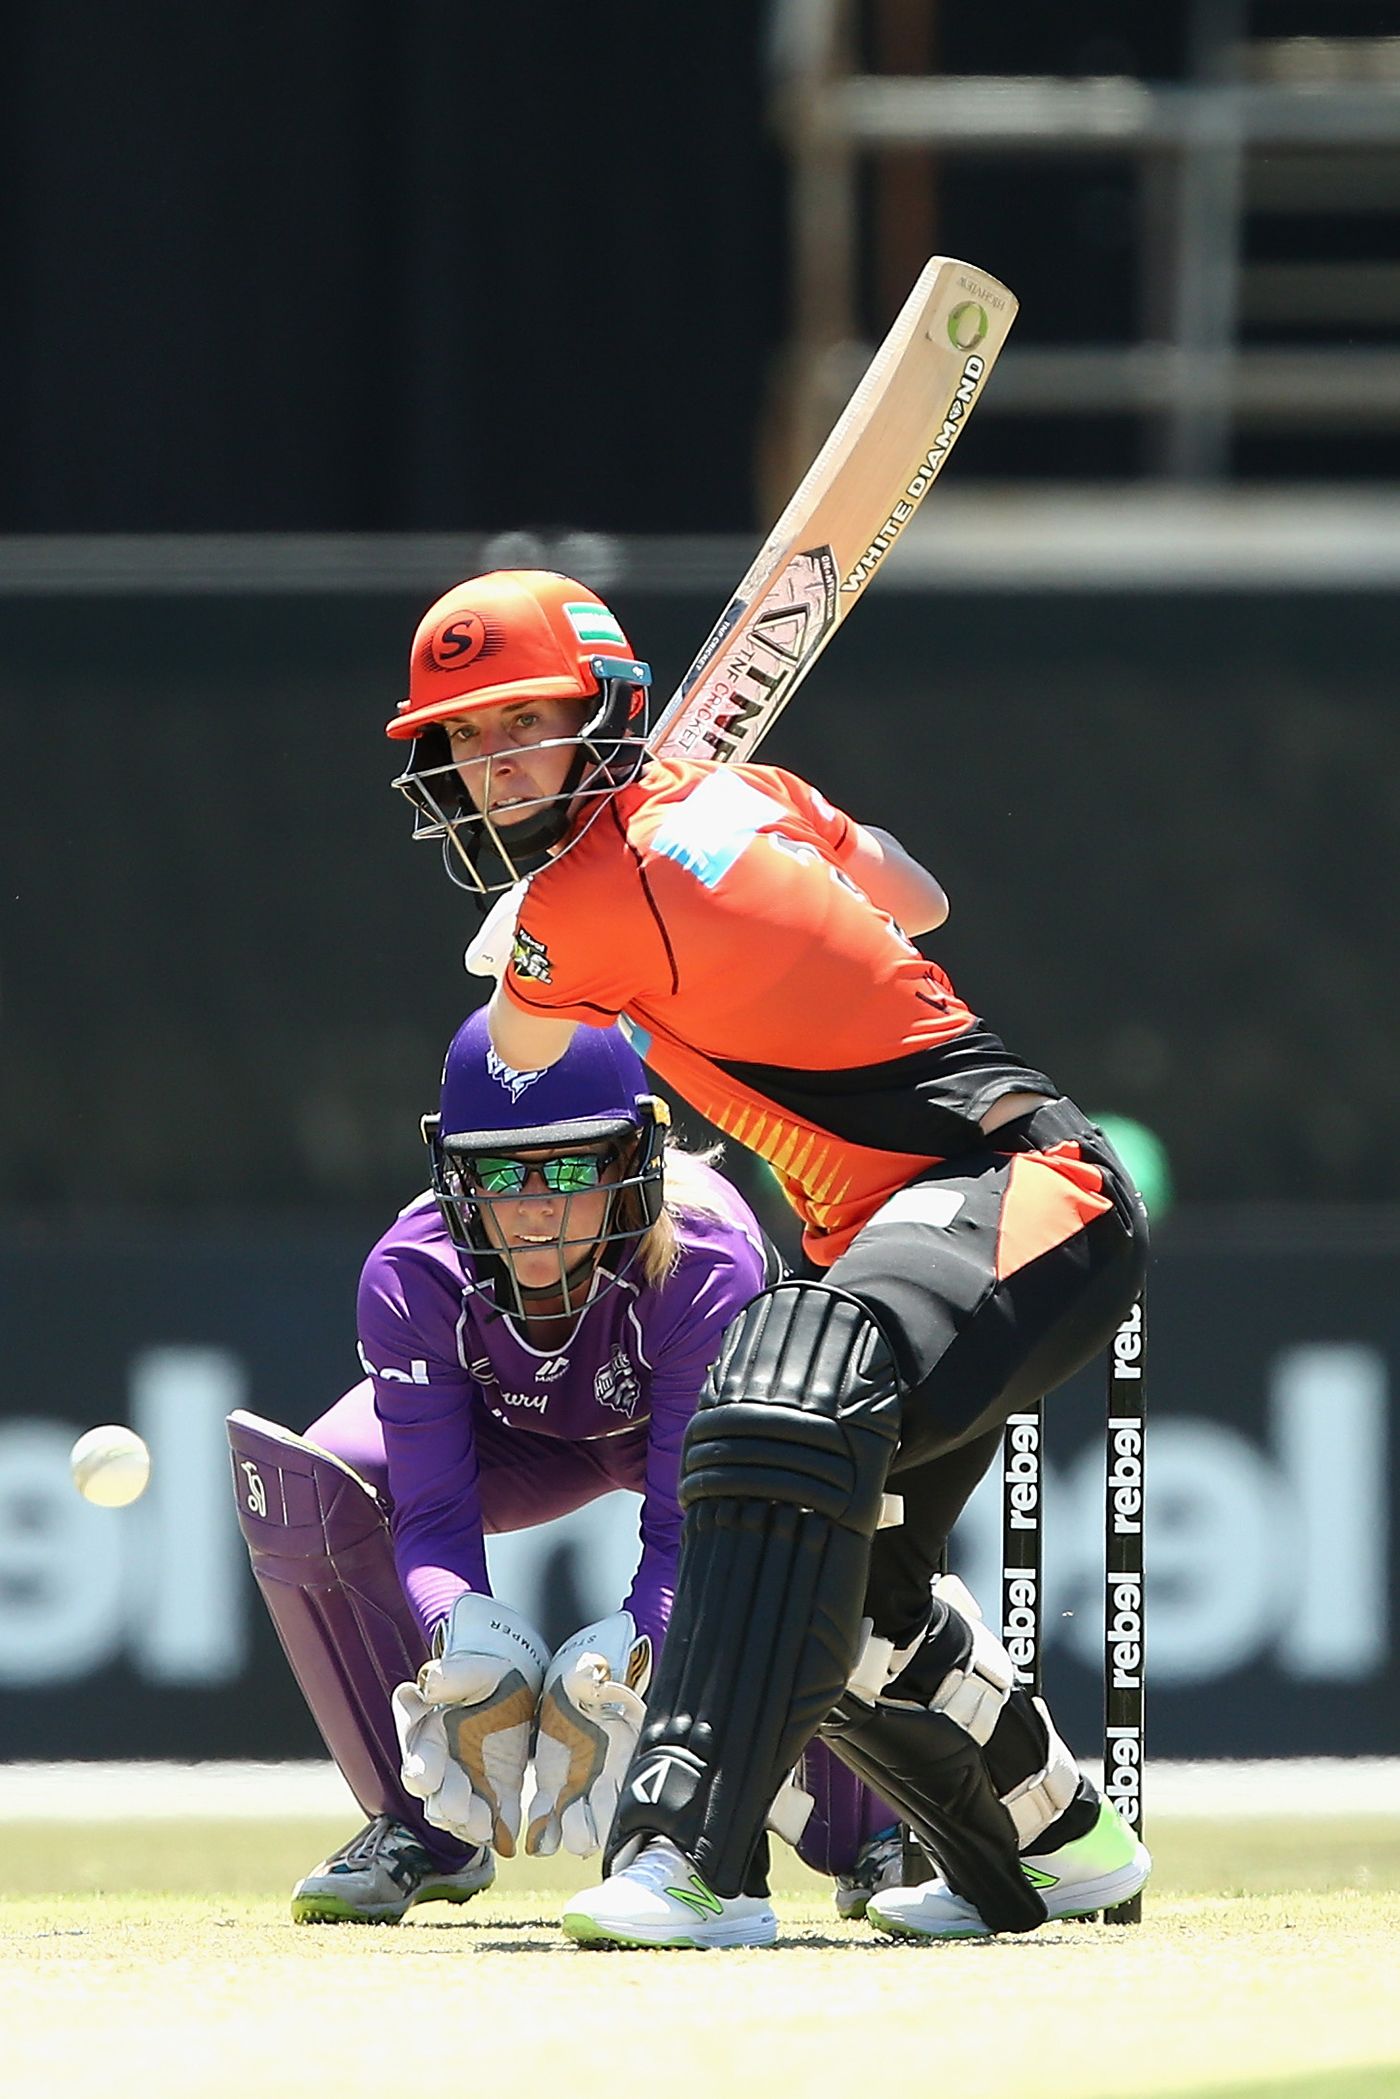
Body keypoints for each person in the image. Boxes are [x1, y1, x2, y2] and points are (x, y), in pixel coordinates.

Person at [383, 568, 1153, 1949]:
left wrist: (529, 942)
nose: (491, 763)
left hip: (1016, 1187)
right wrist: (746, 829)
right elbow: (915, 897)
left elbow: (517, 1047)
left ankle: (691, 1859)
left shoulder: (587, 899)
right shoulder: (746, 796)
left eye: (524, 723)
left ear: (603, 713)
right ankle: (1058, 1846)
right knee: (854, 1602)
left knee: (777, 1403)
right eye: (467, 735)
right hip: (922, 1226)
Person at [227, 1007, 896, 1925]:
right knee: (313, 1480)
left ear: (630, 1162)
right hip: (517, 1438)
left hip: (700, 1445)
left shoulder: (707, 1262)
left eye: (572, 1169)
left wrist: (632, 1655)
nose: (535, 1207)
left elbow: (691, 1537)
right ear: (458, 1174)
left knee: (805, 1500)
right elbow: (432, 1519)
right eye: (503, 1172)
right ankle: (425, 1827)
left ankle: (870, 1828)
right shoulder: (411, 1274)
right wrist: (464, 1643)